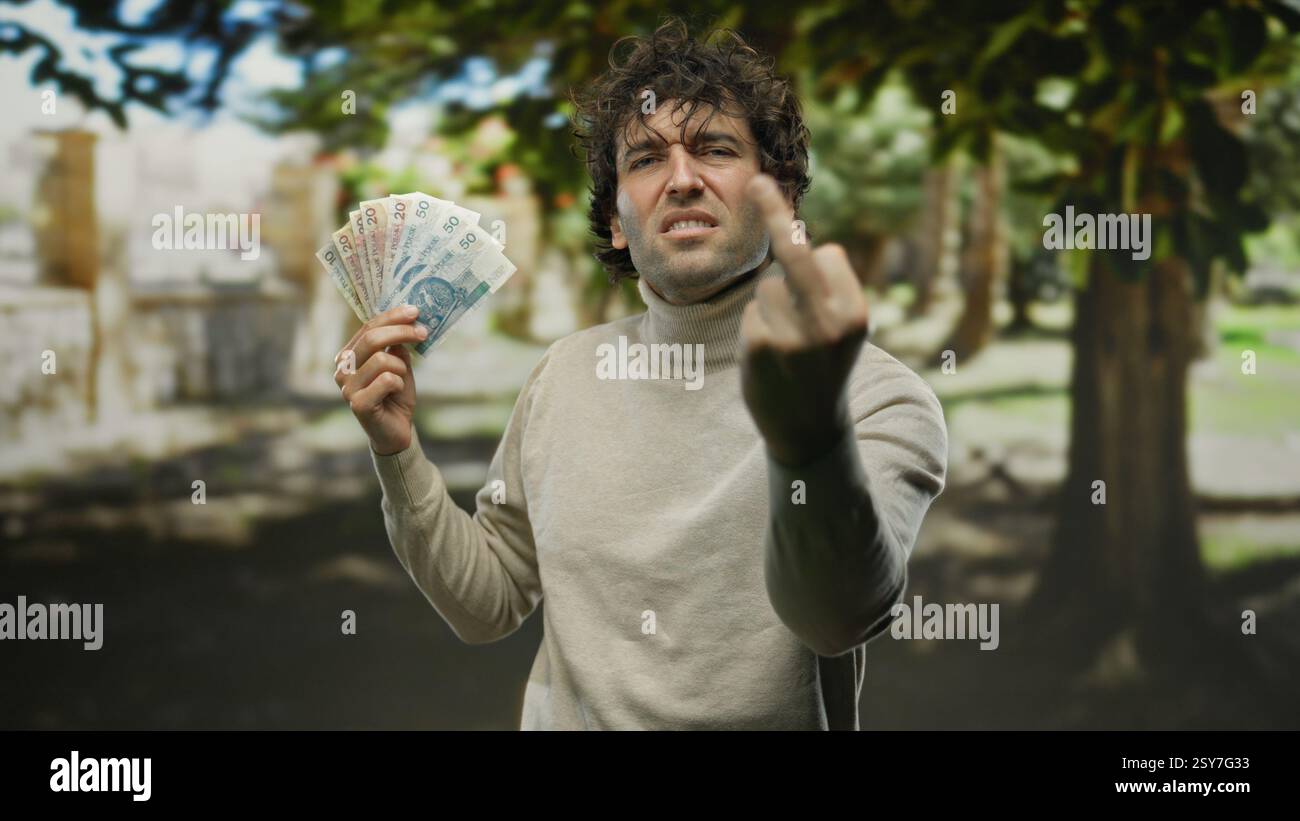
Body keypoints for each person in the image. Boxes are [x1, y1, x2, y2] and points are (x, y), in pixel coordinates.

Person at [333, 19, 947, 730]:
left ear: (776, 192)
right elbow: (488, 602)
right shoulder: (562, 376)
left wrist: (810, 436)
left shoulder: (880, 398)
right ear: (618, 220)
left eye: (716, 149)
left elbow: (836, 618)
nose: (682, 179)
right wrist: (396, 452)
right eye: (647, 158)